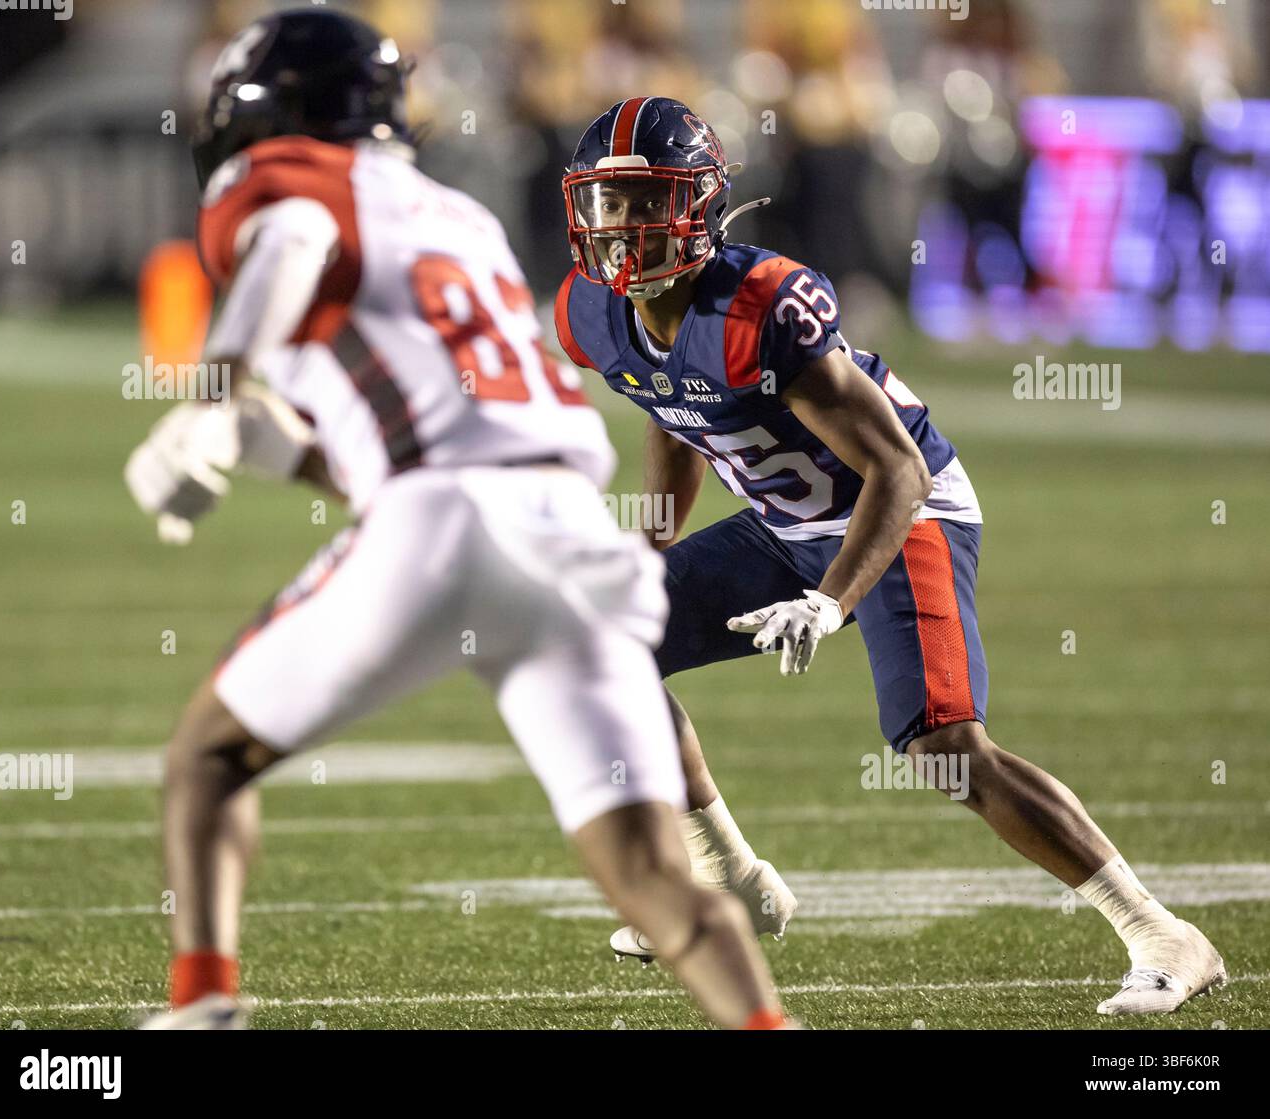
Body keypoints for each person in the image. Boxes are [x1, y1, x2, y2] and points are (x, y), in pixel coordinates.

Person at [128, 14, 786, 1030]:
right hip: (570, 533)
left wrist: (212, 392)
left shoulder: (288, 187)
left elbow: (299, 240)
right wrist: (276, 447)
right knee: (657, 879)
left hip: (435, 524)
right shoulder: (459, 218)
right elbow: (439, 429)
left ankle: (201, 1006)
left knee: (206, 761)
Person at [555, 96, 1225, 1016]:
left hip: (901, 512)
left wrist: (829, 602)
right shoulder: (591, 313)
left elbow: (899, 472)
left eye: (643, 201)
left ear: (699, 204)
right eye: (609, 202)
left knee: (943, 744)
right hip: (787, 518)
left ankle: (1160, 931)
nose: (620, 226)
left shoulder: (760, 307)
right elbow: (670, 409)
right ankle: (733, 880)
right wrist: (647, 550)